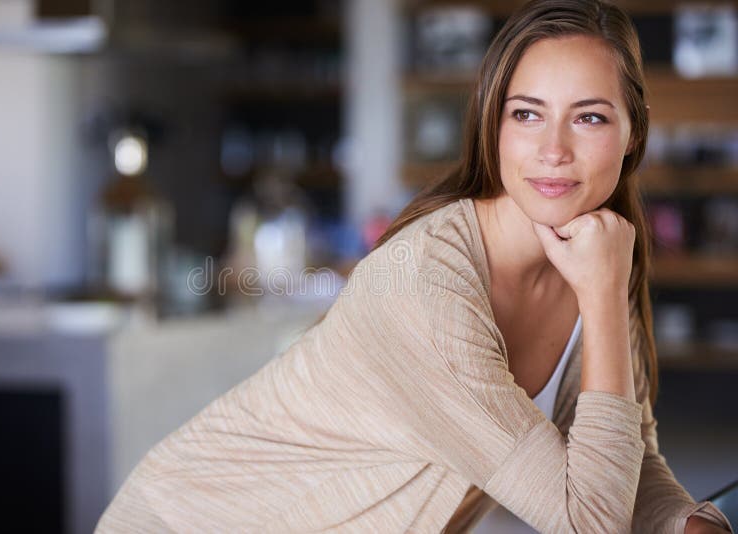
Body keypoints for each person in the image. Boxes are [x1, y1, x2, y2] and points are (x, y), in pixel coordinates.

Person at [96, 1, 734, 532]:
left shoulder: (591, 252)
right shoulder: (432, 288)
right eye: (527, 113)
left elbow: (624, 456)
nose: (552, 150)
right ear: (493, 123)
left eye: (589, 117)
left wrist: (692, 525)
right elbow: (588, 522)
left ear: (634, 136)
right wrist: (600, 296)